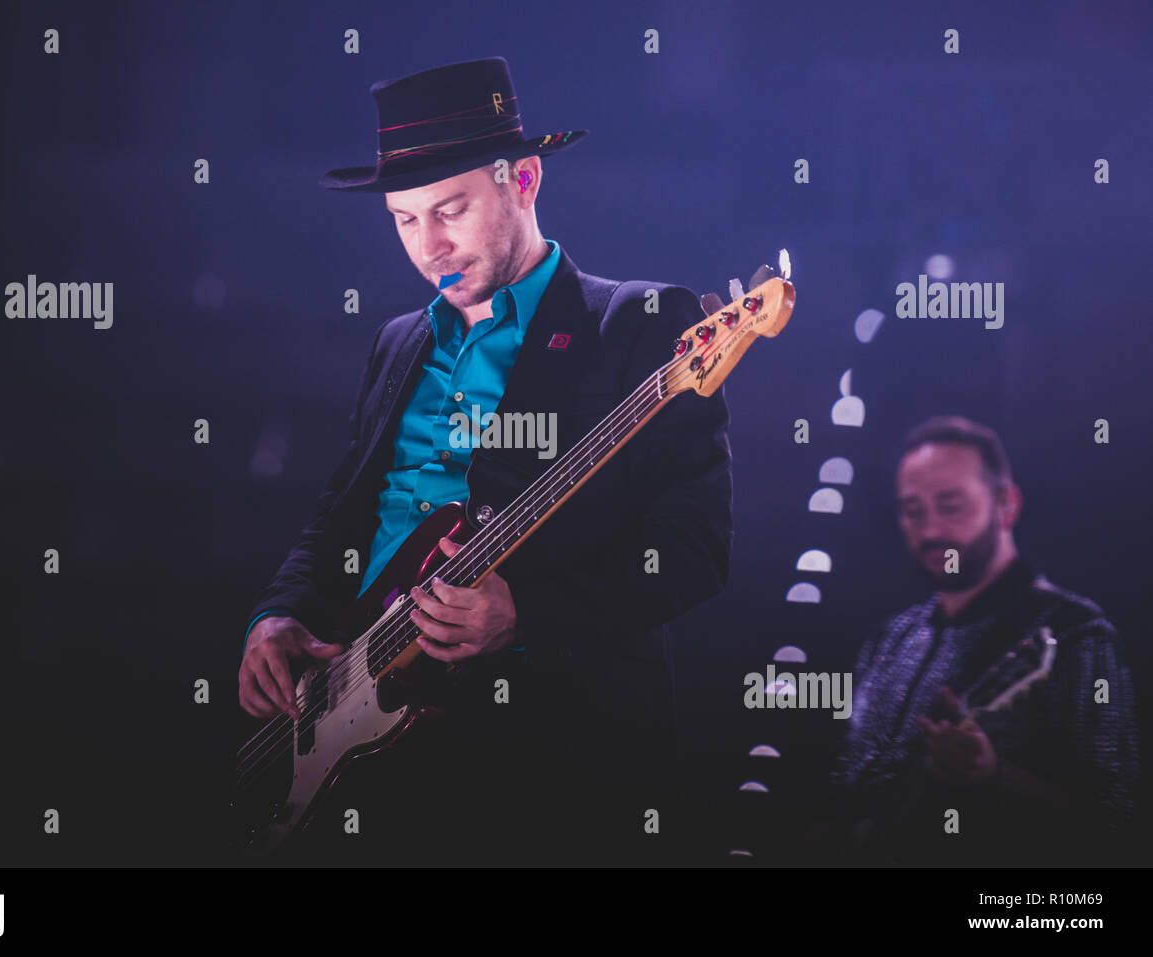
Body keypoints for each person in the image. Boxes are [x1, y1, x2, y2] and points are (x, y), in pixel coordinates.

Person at [237, 57, 734, 864]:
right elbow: (337, 517)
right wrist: (277, 617)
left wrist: (527, 613)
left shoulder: (640, 325)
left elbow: (694, 552)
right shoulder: (397, 341)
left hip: (540, 757)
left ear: (524, 179)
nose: (428, 245)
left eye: (451, 210)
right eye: (403, 220)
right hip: (352, 733)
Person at [829, 415, 1139, 865]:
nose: (930, 529)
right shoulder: (891, 638)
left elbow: (1115, 819)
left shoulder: (1076, 633)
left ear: (1006, 505)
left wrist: (995, 776)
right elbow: (845, 789)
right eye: (913, 510)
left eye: (950, 505)